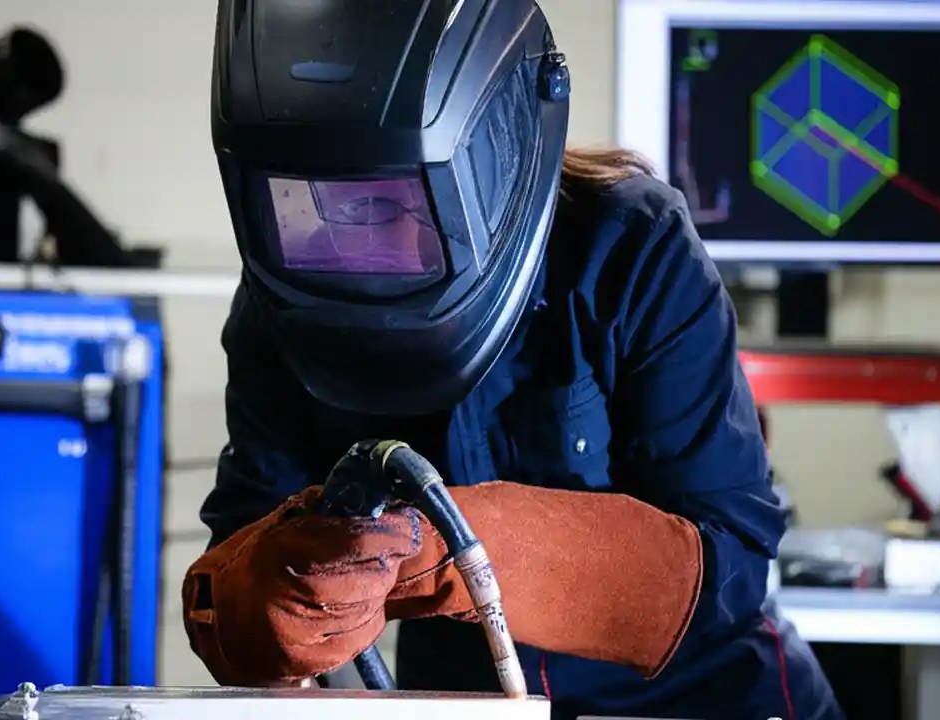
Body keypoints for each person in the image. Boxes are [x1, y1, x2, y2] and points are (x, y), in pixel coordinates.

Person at [184, 1, 844, 718]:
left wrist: (450, 544)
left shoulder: (631, 247)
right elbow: (234, 583)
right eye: (315, 203)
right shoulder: (289, 298)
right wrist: (273, 600)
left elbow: (732, 568)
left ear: (490, 155)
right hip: (468, 701)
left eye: (393, 205)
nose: (356, 240)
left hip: (701, 698)